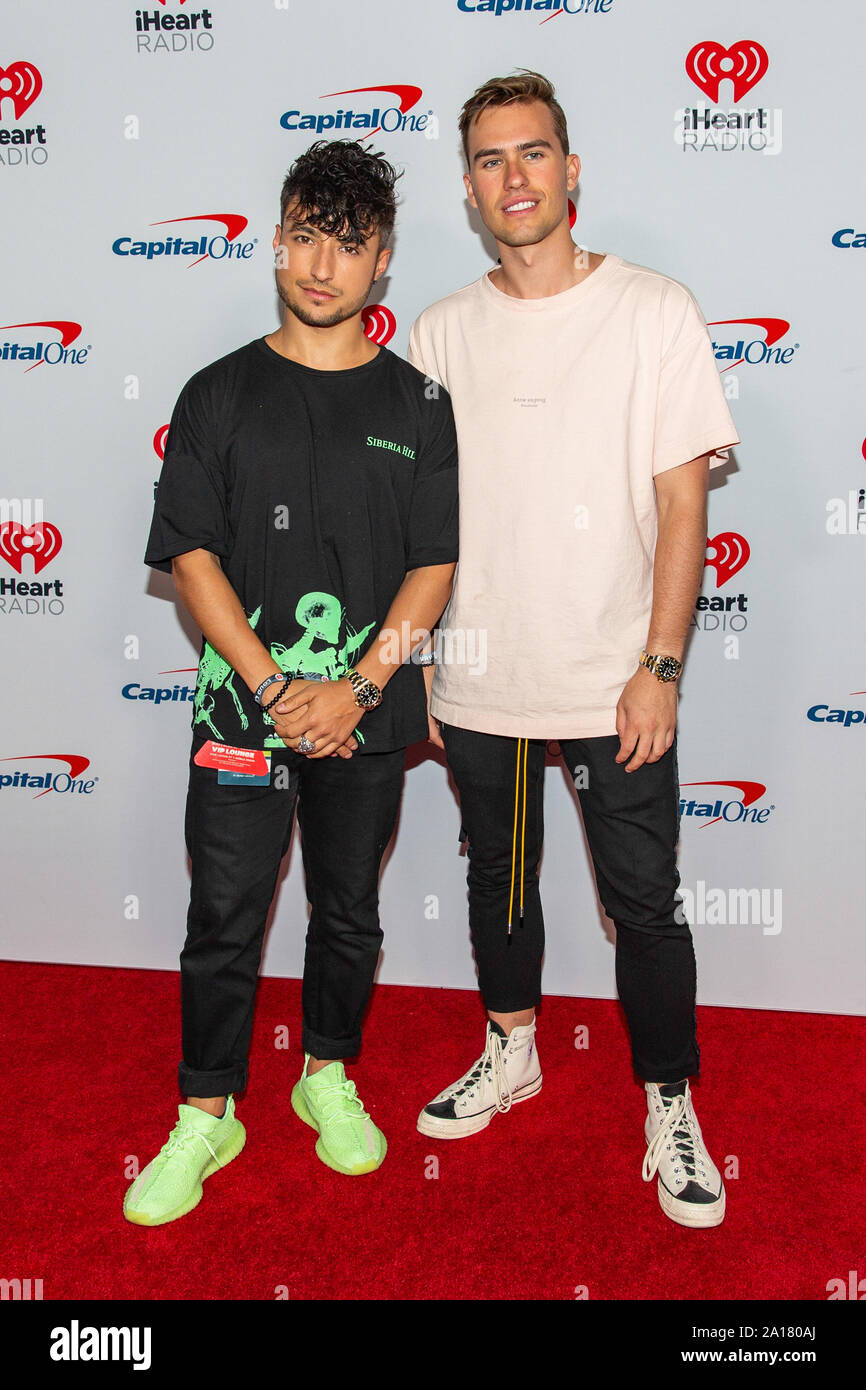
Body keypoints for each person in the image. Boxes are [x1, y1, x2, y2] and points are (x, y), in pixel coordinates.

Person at [409, 71, 739, 1229]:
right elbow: (424, 523)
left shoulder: (654, 310)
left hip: (616, 680)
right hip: (483, 675)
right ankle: (513, 1052)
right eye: (492, 159)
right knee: (498, 886)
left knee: (642, 902)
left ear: (571, 168)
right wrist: (429, 665)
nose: (516, 176)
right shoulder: (440, 331)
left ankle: (669, 1100)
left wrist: (659, 664)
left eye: (534, 153)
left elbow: (682, 504)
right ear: (467, 187)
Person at [125, 140, 458, 1226]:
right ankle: (207, 1109)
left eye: (349, 243)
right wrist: (274, 690)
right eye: (307, 232)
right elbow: (193, 555)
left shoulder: (418, 402)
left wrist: (358, 689)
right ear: (277, 235)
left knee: (347, 910)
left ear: (383, 265)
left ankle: (324, 1072)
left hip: (364, 717)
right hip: (242, 713)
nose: (323, 263)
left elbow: (432, 564)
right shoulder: (216, 393)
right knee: (222, 915)